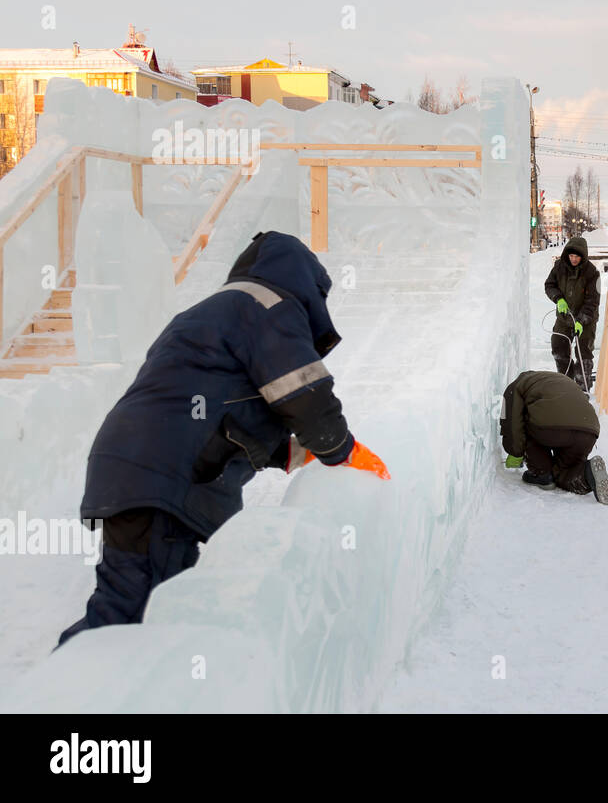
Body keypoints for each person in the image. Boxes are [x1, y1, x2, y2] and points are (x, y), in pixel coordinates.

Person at [59, 231, 389, 648]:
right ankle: (59, 695)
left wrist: (289, 452)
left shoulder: (213, 312)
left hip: (139, 468)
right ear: (305, 284)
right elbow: (302, 391)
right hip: (162, 480)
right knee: (126, 616)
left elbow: (215, 406)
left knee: (154, 609)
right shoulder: (269, 305)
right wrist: (341, 450)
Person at [500, 370, 608, 504]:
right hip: (588, 431)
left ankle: (542, 473)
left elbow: (512, 421)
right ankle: (587, 475)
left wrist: (515, 450)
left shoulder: (517, 385)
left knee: (526, 423)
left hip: (552, 427)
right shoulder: (565, 381)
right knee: (565, 472)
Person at [544, 235, 601, 390]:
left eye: (577, 256)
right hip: (564, 318)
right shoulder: (559, 267)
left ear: (583, 256)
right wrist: (558, 299)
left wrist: (581, 321)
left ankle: (583, 388)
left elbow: (593, 301)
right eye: (571, 255)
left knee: (583, 353)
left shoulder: (592, 273)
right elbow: (549, 285)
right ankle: (566, 384)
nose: (573, 259)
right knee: (558, 347)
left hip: (586, 321)